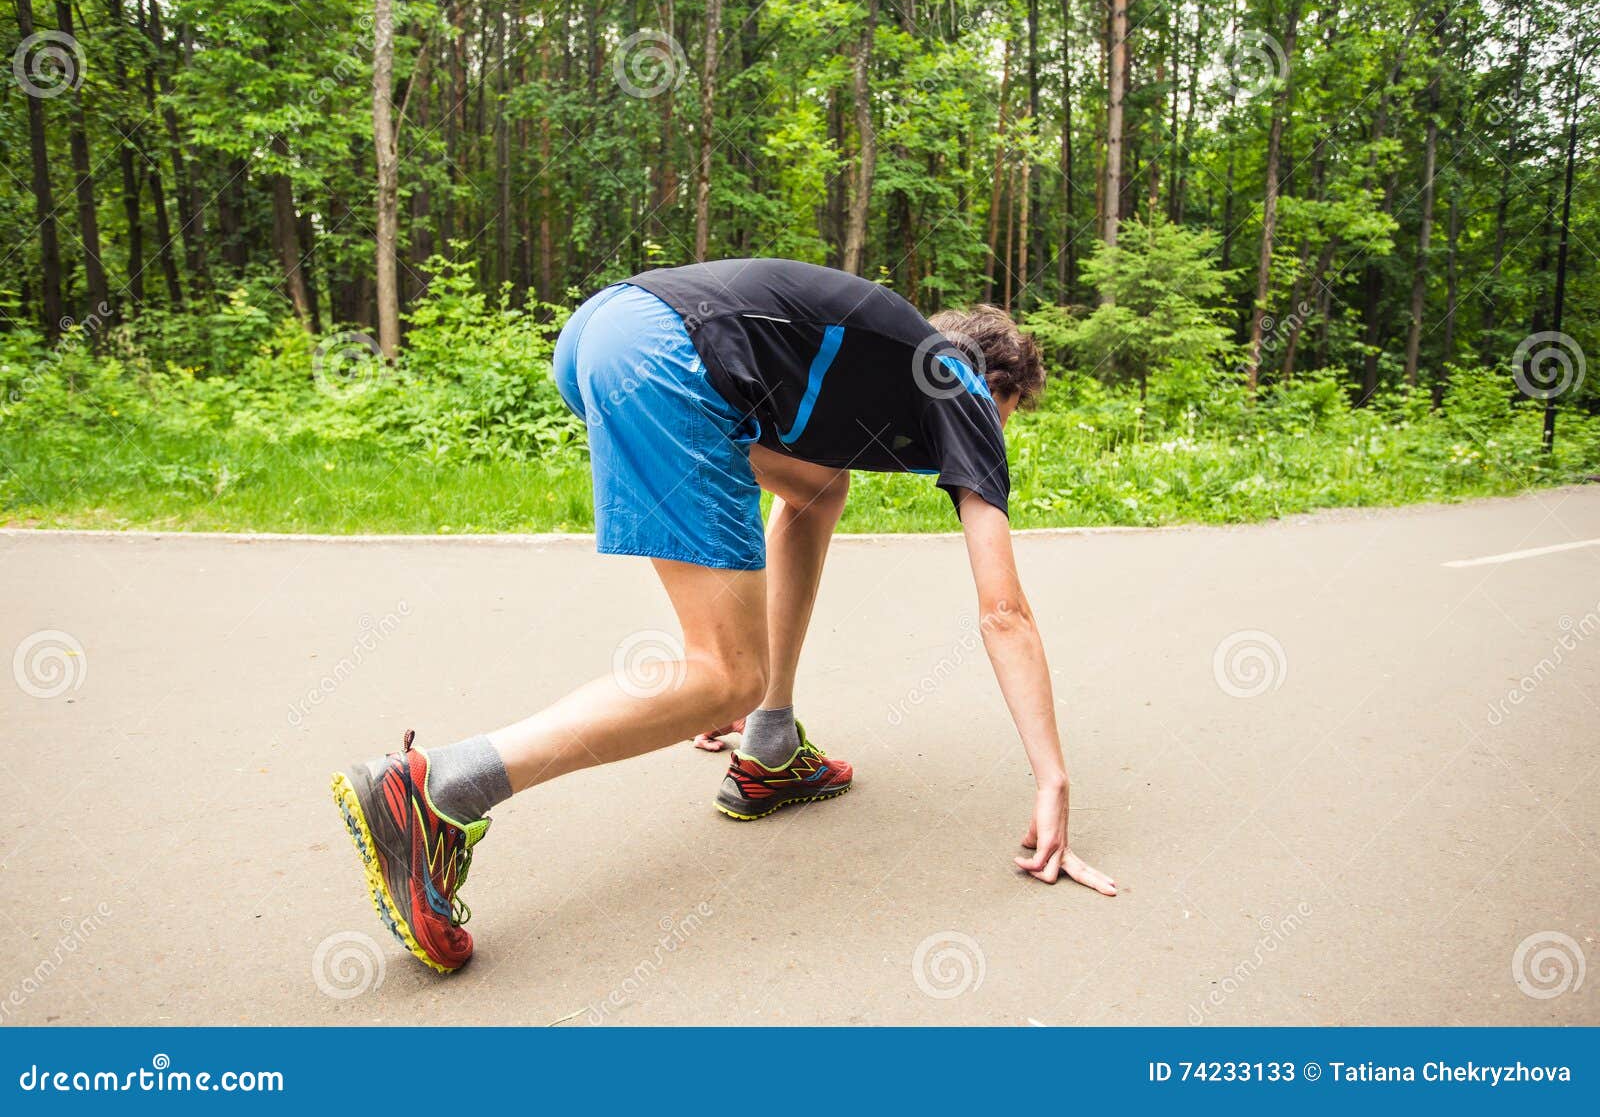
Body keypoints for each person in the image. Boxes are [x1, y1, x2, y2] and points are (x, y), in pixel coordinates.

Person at [331, 258, 1116, 975]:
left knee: (816, 489)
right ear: (1001, 388)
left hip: (605, 333)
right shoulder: (963, 387)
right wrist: (1052, 775)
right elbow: (1003, 610)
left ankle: (770, 746)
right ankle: (437, 788)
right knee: (723, 675)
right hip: (665, 353)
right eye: (1008, 416)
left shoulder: (866, 368)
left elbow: (787, 460)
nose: (995, 434)